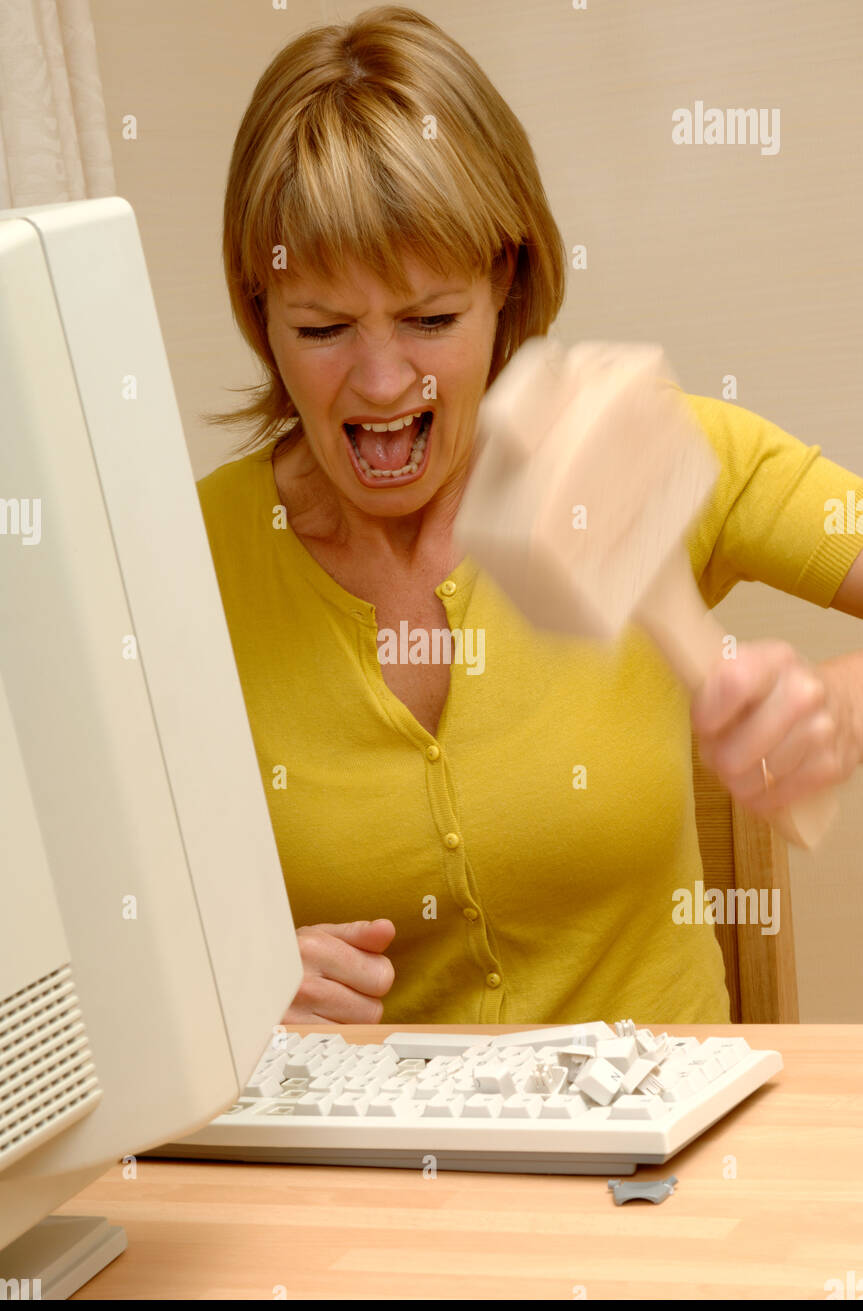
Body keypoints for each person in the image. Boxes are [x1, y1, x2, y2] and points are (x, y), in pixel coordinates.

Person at [198, 6, 863, 1026]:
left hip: (662, 1164)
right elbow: (81, 917)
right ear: (259, 313)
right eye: (323, 327)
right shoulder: (180, 566)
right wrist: (220, 992)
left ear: (503, 280)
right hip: (352, 1181)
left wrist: (837, 706)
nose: (381, 381)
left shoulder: (655, 451)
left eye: (430, 318)